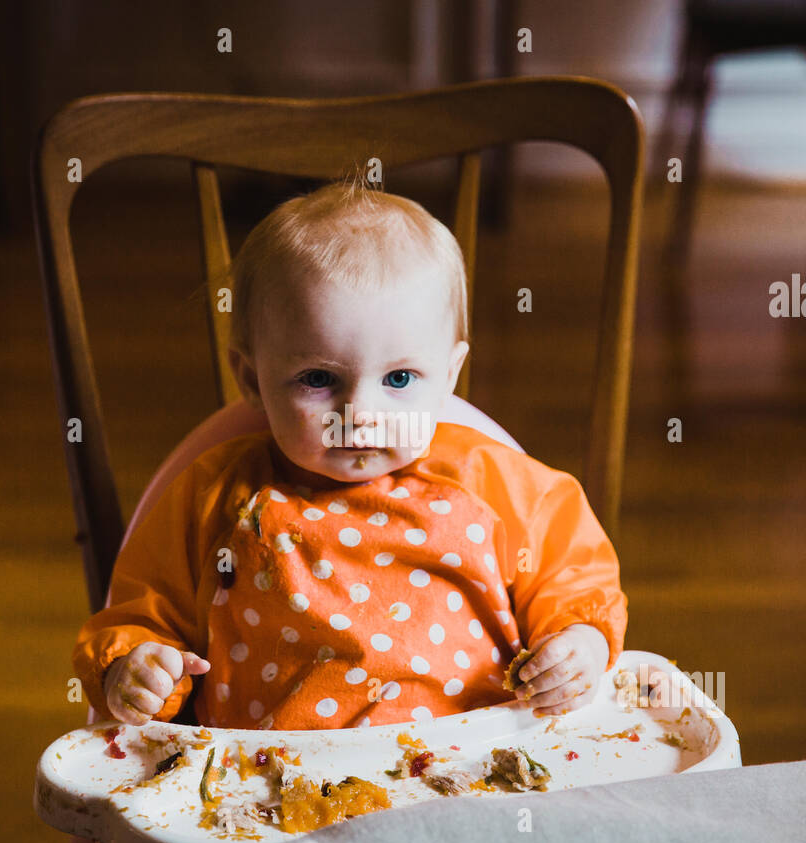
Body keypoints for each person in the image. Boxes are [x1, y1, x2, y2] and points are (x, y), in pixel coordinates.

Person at [73, 177, 627, 731]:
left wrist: (578, 644)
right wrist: (136, 668)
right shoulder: (214, 497)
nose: (359, 413)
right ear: (251, 378)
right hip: (264, 793)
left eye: (401, 377)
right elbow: (139, 619)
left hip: (477, 773)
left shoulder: (502, 487)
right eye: (318, 378)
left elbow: (575, 582)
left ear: (449, 375)